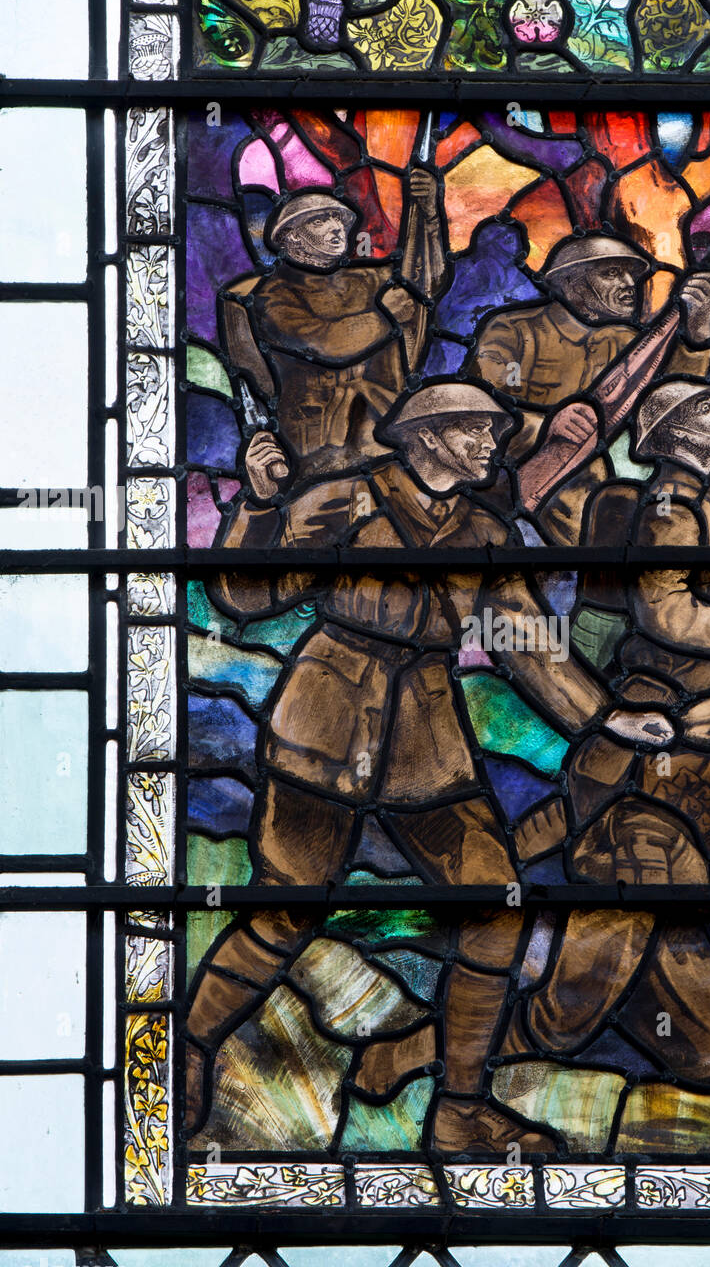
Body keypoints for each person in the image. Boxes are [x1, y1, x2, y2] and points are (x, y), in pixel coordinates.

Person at [184, 381, 674, 1152]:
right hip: (325, 718)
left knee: (492, 906)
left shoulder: (487, 525)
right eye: (476, 431)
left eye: (492, 431)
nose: (491, 445)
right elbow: (249, 594)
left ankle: (458, 1109)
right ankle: (189, 1049)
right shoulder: (343, 499)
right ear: (428, 436)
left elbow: (522, 637)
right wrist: (258, 504)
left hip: (426, 736)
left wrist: (601, 715)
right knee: (285, 909)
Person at [505, 377, 710, 1084]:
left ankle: (598, 983)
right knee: (557, 1024)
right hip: (648, 778)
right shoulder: (670, 502)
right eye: (706, 409)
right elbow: (661, 607)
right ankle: (504, 1045)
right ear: (676, 432)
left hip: (695, 829)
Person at [466, 233, 710, 543]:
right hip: (515, 500)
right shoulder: (515, 330)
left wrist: (698, 330)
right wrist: (545, 426)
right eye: (612, 273)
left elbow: (673, 401)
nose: (630, 283)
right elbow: (477, 405)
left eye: (632, 274)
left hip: (606, 507)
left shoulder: (630, 343)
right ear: (570, 282)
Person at [219, 172, 446, 484]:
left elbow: (423, 283)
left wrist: (428, 215)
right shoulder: (274, 294)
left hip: (384, 432)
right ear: (293, 236)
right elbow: (325, 343)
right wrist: (385, 316)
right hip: (318, 445)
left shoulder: (368, 279)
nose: (336, 227)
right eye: (319, 221)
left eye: (338, 218)